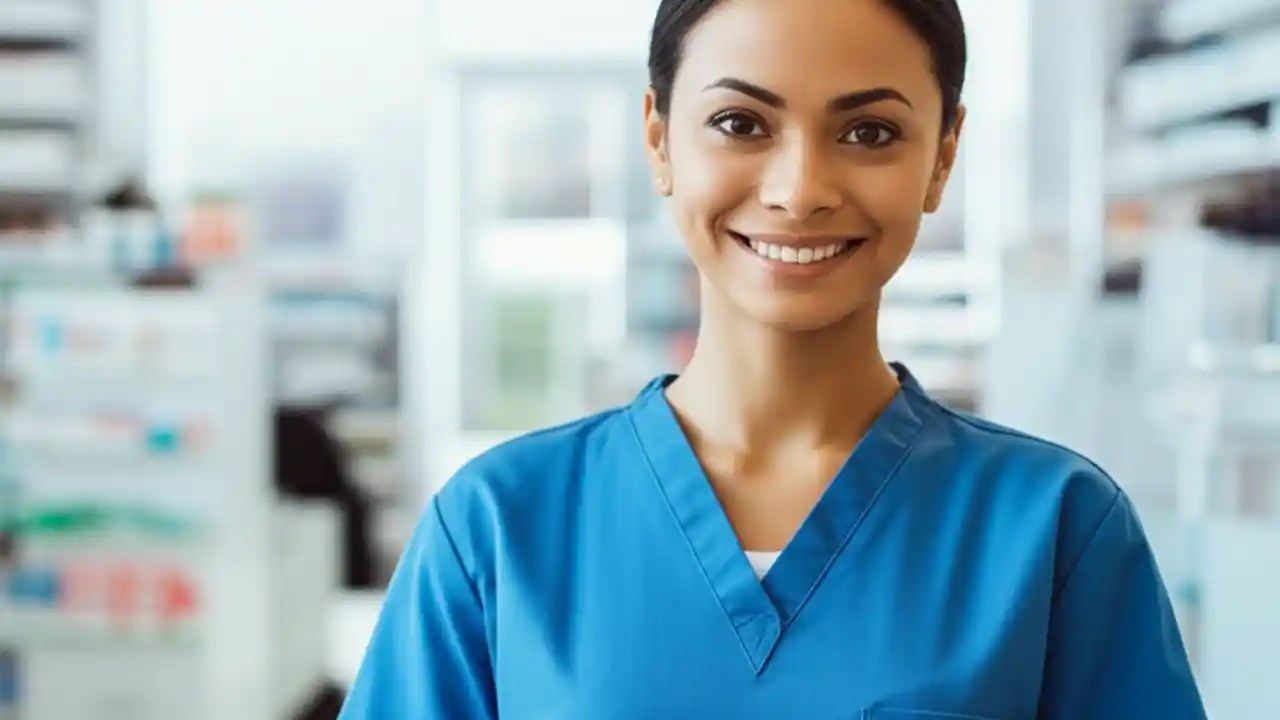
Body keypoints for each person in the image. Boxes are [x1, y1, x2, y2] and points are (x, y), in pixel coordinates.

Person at [341, 0, 1207, 717]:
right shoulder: (499, 529)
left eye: (869, 133)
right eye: (739, 123)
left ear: (943, 156)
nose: (799, 189)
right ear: (658, 139)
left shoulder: (1054, 532)